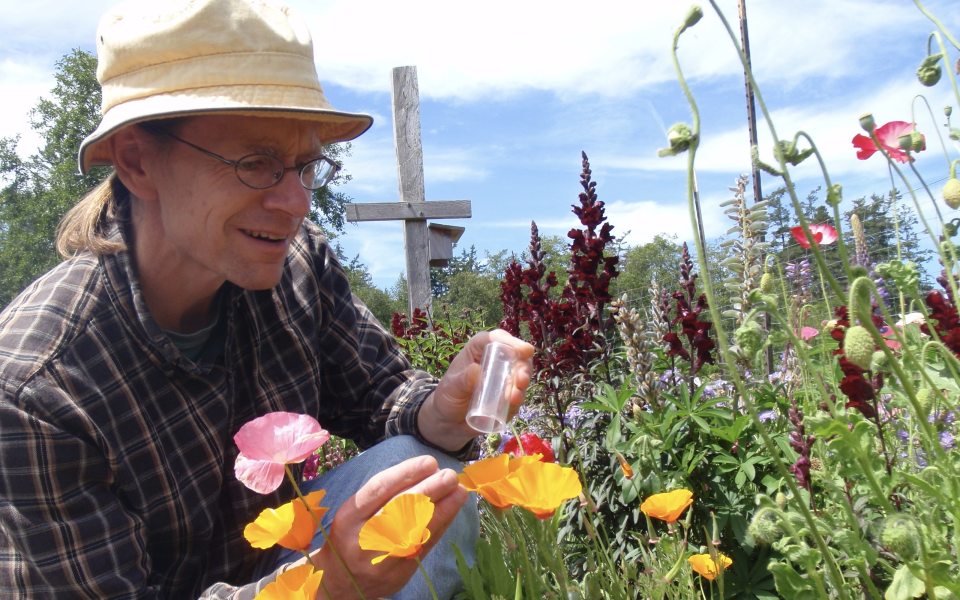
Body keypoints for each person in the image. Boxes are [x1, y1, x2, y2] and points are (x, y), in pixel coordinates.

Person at [0, 0, 534, 598]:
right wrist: (329, 585)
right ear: (136, 160)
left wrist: (444, 408)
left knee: (423, 475)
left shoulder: (296, 267)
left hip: (280, 567)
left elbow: (381, 401)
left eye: (304, 166)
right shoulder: (36, 388)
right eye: (255, 164)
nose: (297, 204)